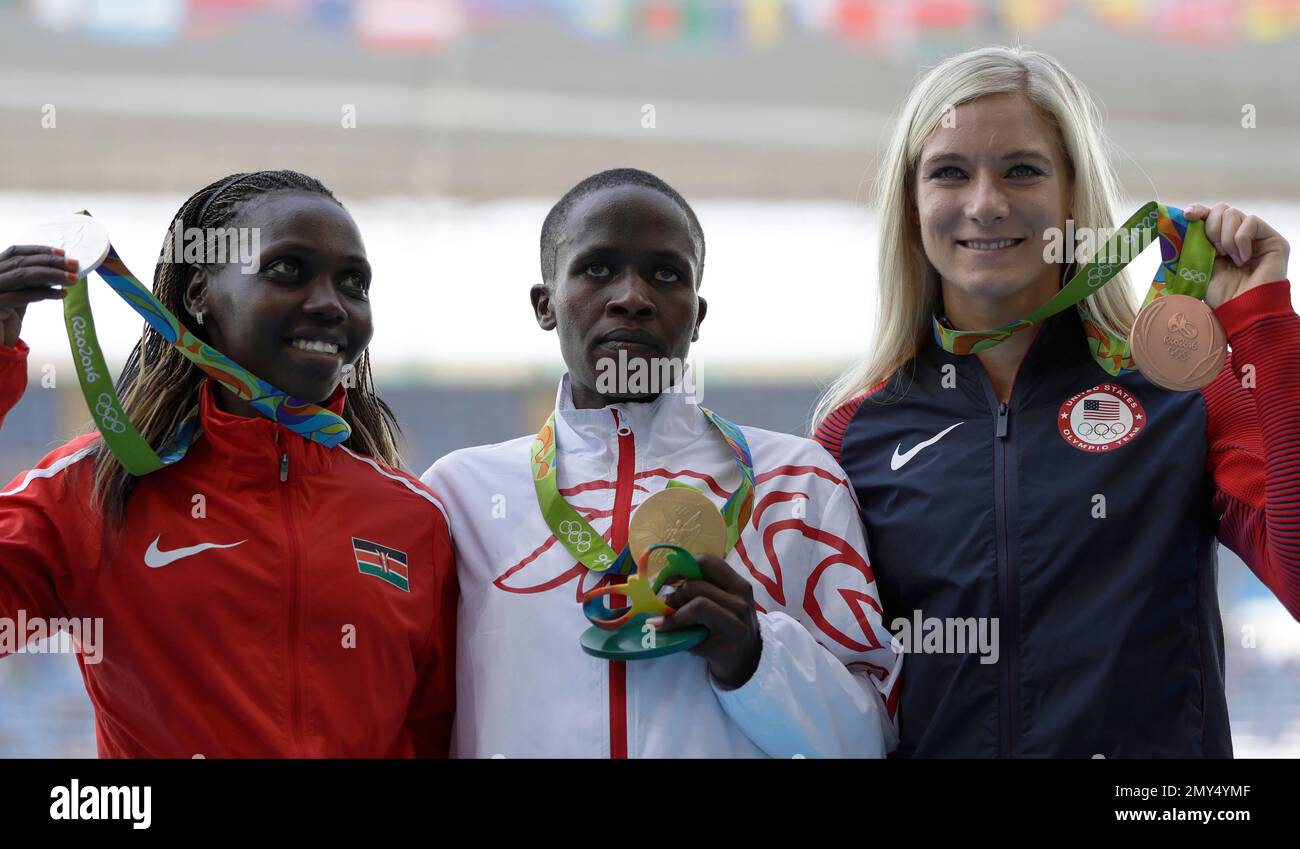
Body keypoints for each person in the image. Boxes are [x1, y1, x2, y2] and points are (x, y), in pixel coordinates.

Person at [812, 46, 1299, 757]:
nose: (985, 202)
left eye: (1022, 169)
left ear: (1074, 196)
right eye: (950, 172)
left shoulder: (1182, 398)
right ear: (912, 205)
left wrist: (1261, 324)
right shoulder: (852, 435)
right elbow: (829, 691)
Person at [421, 168, 900, 758]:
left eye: (665, 274)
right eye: (597, 268)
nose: (632, 297)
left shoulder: (798, 483)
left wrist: (756, 657)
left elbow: (873, 735)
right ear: (545, 305)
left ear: (697, 317)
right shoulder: (456, 496)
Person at [0, 170, 456, 757]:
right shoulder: (92, 490)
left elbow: (438, 732)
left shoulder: (414, 518)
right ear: (199, 295)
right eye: (288, 270)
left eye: (353, 284)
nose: (329, 304)